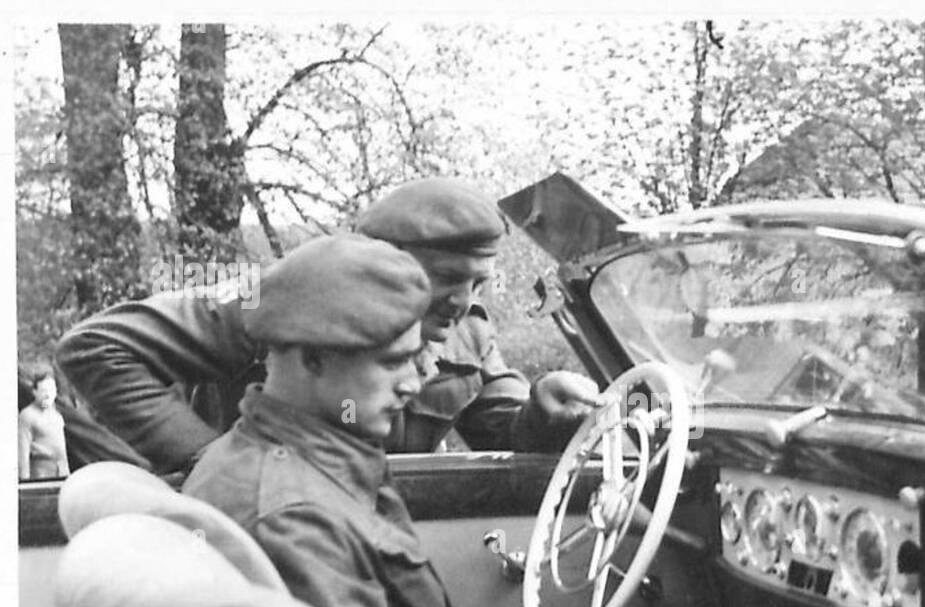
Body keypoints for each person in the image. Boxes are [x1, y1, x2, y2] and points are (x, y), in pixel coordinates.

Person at [183, 233, 701, 607]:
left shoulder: (320, 453)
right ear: (310, 359)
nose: (415, 381)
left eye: (417, 355)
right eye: (393, 363)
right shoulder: (293, 514)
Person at [56, 177, 599, 475]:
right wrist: (207, 461)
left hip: (369, 538)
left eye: (478, 283)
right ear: (374, 259)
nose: (462, 302)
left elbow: (503, 434)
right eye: (447, 278)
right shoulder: (286, 299)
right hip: (255, 534)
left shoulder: (467, 331)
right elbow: (96, 347)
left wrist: (542, 411)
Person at [18, 370, 69, 480]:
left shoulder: (57, 416)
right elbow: (23, 451)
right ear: (34, 392)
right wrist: (25, 480)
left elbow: (62, 450)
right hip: (39, 471)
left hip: (59, 470)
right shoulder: (27, 415)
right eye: (43, 391)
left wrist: (66, 475)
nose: (47, 395)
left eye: (51, 390)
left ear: (55, 392)